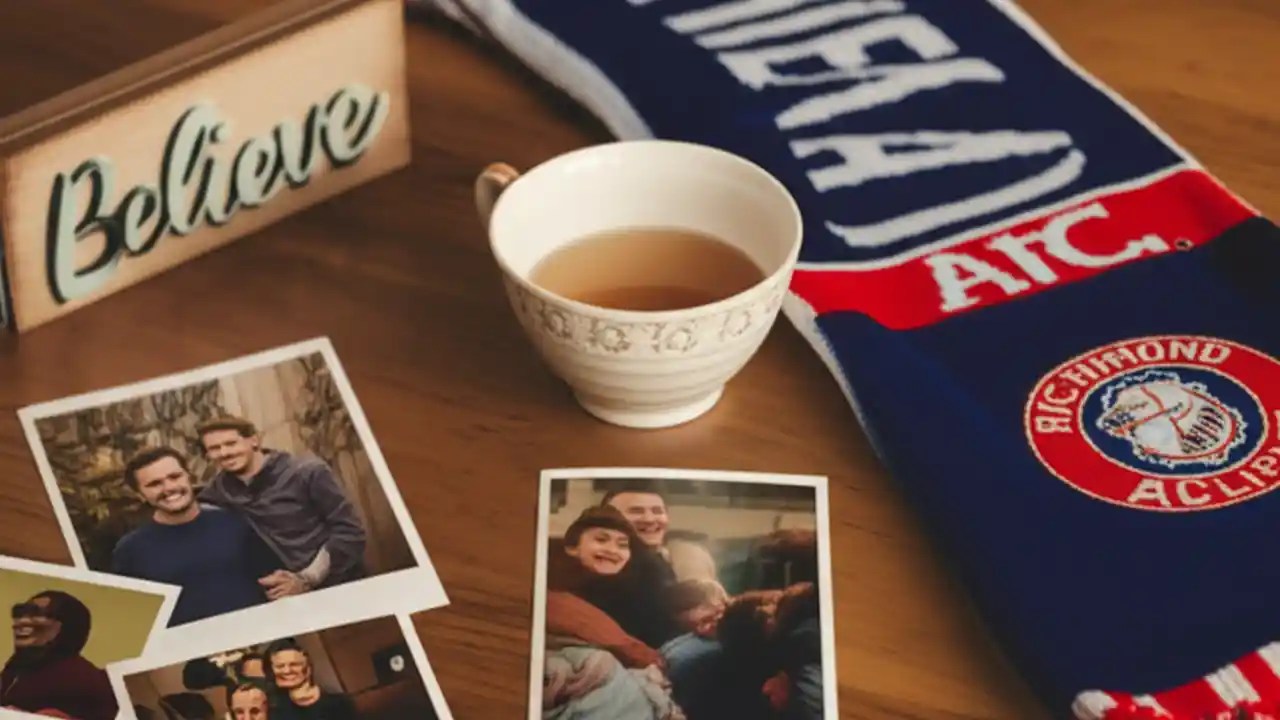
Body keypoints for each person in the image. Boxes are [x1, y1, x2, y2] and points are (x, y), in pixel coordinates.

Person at [197, 416, 368, 599]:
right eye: (214, 448)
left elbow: (350, 532)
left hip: (342, 586)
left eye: (231, 443)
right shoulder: (218, 493)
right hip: (282, 598)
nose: (224, 453)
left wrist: (306, 579)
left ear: (254, 440)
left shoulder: (307, 472)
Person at [112, 447, 284, 626]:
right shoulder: (130, 551)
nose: (169, 487)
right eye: (155, 484)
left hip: (259, 642)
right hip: (190, 651)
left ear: (189, 476)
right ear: (140, 495)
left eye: (175, 477)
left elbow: (276, 585)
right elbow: (135, 620)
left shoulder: (235, 523)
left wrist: (284, 646)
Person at [0, 591, 117, 720]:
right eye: (20, 613)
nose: (20, 622)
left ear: (68, 625)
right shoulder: (17, 669)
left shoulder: (85, 680)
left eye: (37, 614)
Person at [265, 638, 356, 719]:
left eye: (294, 664)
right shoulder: (275, 712)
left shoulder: (338, 702)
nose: (287, 671)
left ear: (308, 667)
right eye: (280, 666)